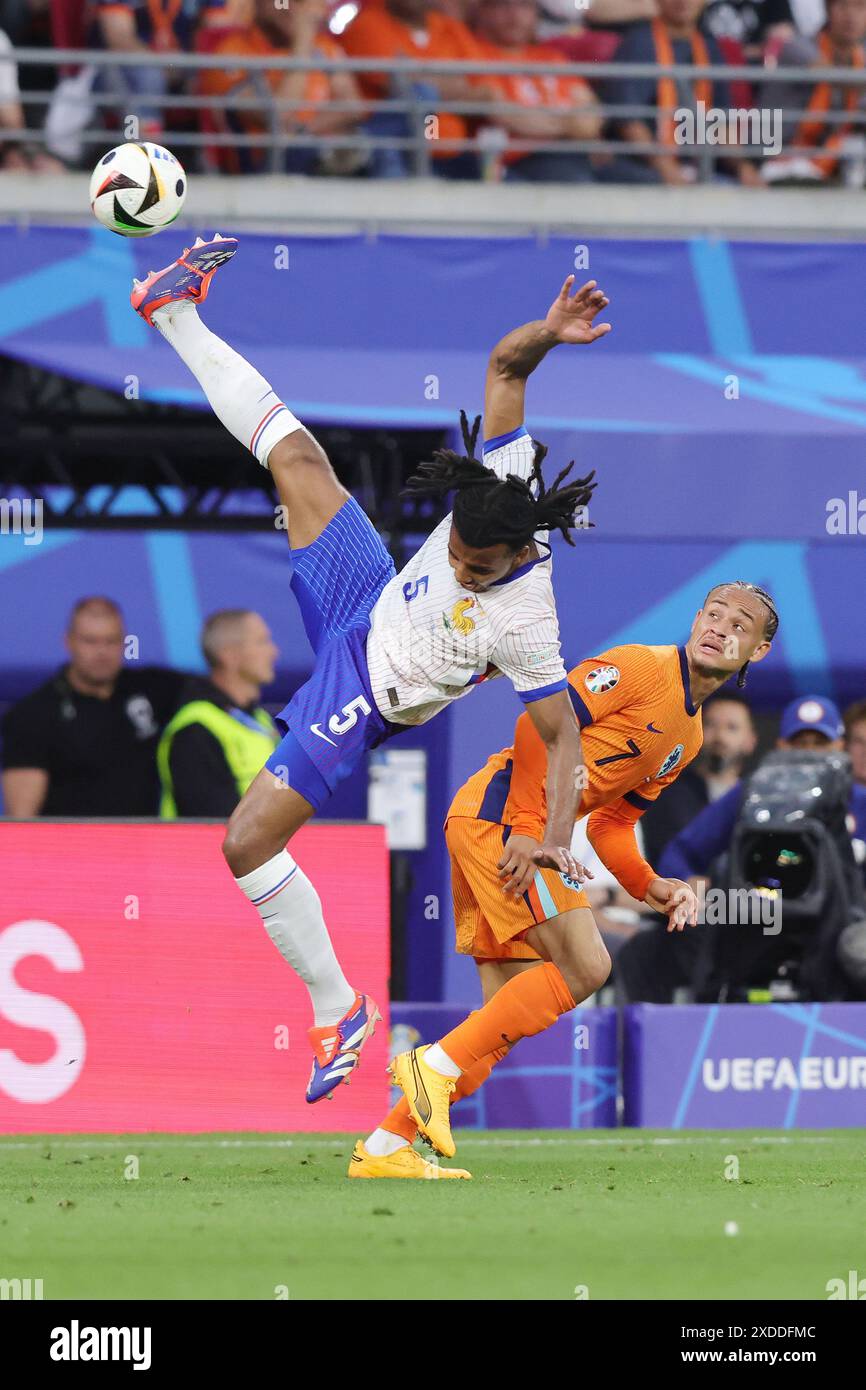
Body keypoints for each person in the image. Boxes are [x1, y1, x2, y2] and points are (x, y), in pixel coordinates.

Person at [131, 238, 608, 1106]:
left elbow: (563, 732)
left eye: (476, 567)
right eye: (456, 550)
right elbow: (505, 368)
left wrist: (557, 835)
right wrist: (547, 331)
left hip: (370, 693)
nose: (463, 567)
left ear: (517, 556)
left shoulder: (529, 618)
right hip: (369, 597)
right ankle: (175, 312)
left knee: (245, 843)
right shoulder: (497, 482)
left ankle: (338, 1007)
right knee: (298, 459)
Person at [369, 581, 777, 1173]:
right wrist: (533, 830)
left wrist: (648, 884)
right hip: (501, 819)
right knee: (587, 967)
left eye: (739, 625)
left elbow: (614, 823)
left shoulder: (686, 740)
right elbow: (539, 726)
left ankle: (385, 1147)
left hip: (504, 826)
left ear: (757, 652)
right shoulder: (638, 668)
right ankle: (428, 1065)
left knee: (499, 1022)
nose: (720, 628)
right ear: (695, 619)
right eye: (713, 614)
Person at [618, 694, 866, 1001]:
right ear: (781, 748)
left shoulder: (856, 801)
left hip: (840, 926)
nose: (810, 756)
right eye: (800, 745)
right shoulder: (752, 795)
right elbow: (680, 853)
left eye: (820, 745)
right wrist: (686, 882)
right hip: (759, 918)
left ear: (839, 749)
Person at [1, 596, 185, 817]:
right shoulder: (33, 714)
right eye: (90, 641)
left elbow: (220, 687)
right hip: (73, 849)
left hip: (146, 846)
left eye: (111, 641)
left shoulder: (153, 688)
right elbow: (23, 819)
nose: (102, 652)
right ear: (69, 642)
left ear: (125, 643)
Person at [599, 0, 763, 185]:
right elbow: (629, 123)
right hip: (643, 166)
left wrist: (742, 167)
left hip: (695, 166)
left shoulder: (710, 49)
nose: (683, 1)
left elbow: (720, 123)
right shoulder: (638, 44)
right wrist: (664, 165)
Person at [197, 0, 367, 175]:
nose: (293, 9)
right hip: (262, 166)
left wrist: (302, 132)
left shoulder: (323, 47)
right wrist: (302, 45)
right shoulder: (233, 51)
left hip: (316, 149)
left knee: (370, 144)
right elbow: (279, 116)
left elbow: (352, 107)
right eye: (283, 2)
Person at [340, 0, 494, 177]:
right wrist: (456, 84)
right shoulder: (368, 24)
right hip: (394, 153)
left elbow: (486, 91)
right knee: (423, 96)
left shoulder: (449, 26)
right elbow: (402, 86)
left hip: (451, 154)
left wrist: (420, 76)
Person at [157, 610, 279, 818]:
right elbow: (212, 823)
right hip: (215, 850)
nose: (274, 652)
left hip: (271, 849)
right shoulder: (195, 729)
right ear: (229, 655)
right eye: (262, 642)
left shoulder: (260, 719)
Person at [471, 0, 602, 183]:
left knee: (641, 181)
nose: (514, 15)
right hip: (517, 162)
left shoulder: (551, 57)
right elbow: (511, 118)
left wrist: (549, 124)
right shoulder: (473, 54)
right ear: (483, 11)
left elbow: (591, 117)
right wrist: (569, 124)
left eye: (524, 6)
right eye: (502, 5)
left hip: (572, 155)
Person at [639, 689, 758, 868]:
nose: (720, 736)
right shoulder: (665, 791)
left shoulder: (756, 797)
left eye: (732, 727)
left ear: (751, 740)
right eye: (711, 724)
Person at [763, 0, 866, 186]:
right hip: (781, 162)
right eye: (843, 6)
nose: (850, 16)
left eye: (859, 7)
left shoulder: (860, 59)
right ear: (827, 10)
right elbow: (832, 75)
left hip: (829, 164)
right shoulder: (797, 47)